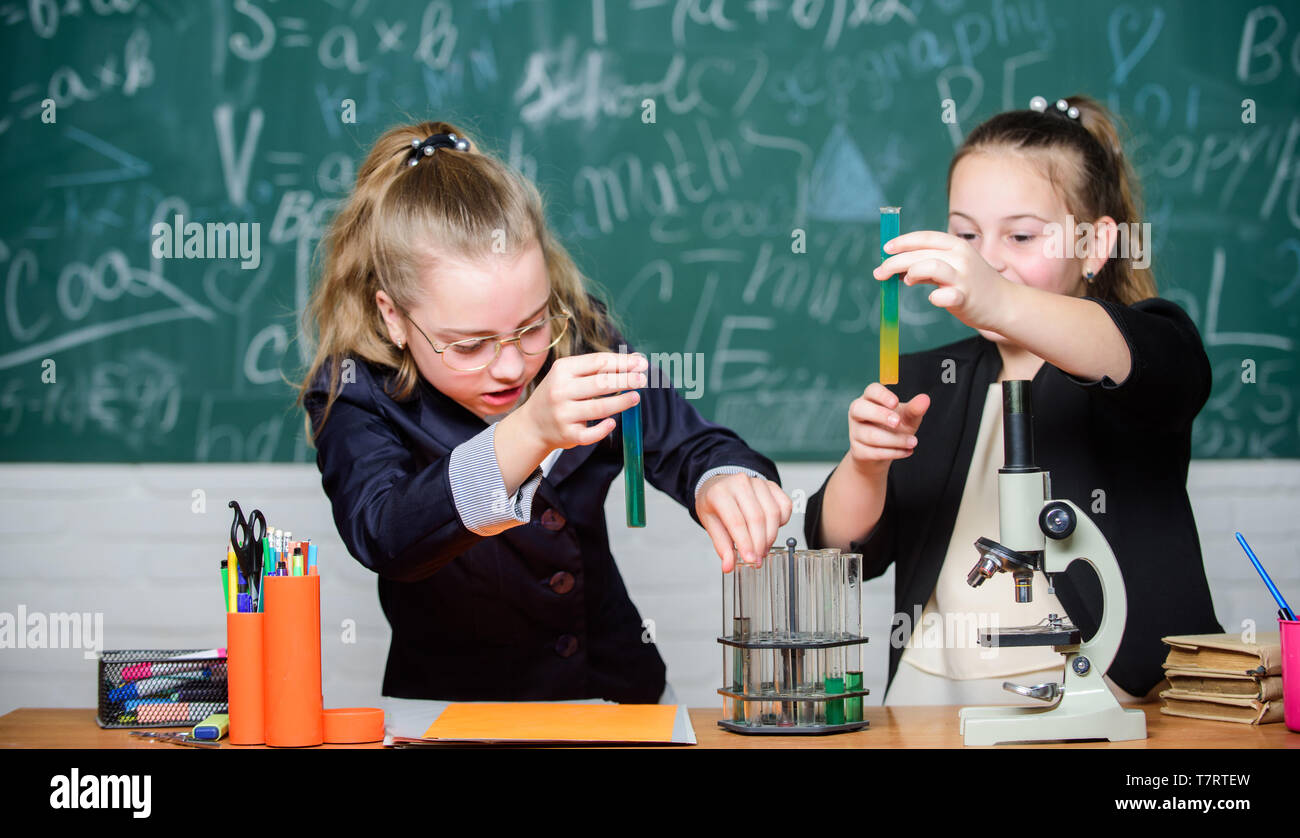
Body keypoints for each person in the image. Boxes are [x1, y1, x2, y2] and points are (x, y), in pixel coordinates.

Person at [297, 121, 792, 704]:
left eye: (532, 326)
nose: (511, 367)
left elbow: (689, 444)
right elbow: (385, 535)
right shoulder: (356, 390)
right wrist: (528, 431)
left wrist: (723, 478)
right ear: (394, 317)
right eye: (470, 344)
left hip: (614, 697)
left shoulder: (581, 338)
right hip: (451, 716)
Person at [804, 95, 1222, 706]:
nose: (986, 259)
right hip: (928, 701)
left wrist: (996, 297)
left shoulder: (1146, 347)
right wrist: (865, 464)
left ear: (1095, 246)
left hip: (1097, 696)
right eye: (965, 235)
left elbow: (1140, 355)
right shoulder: (927, 379)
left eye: (1021, 235)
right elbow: (842, 554)